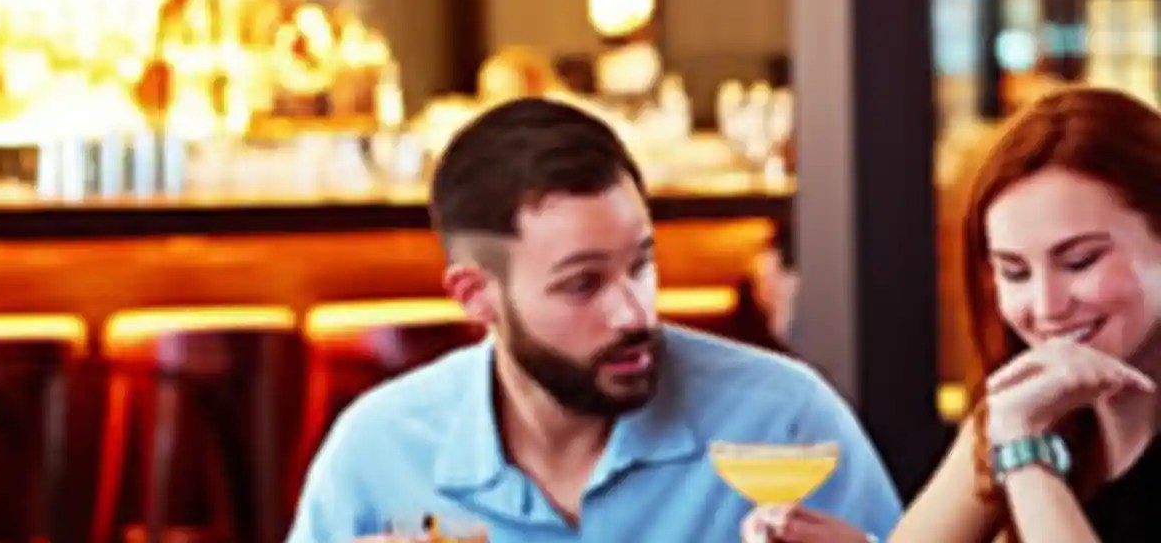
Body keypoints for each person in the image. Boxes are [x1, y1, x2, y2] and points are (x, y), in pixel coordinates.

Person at [287, 98, 900, 542]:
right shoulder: (379, 453)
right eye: (582, 284)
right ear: (477, 296)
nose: (634, 312)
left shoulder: (784, 421)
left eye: (641, 265)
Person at [891, 86, 1161, 542]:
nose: (1047, 307)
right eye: (1014, 272)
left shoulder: (1019, 425)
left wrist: (1025, 453)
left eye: (1080, 262)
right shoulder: (1023, 407)